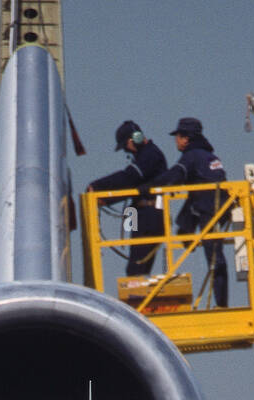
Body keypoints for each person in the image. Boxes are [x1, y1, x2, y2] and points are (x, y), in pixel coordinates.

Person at [147, 117, 229, 307]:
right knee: (186, 221)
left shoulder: (191, 156)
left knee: (215, 258)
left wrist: (150, 186)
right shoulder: (209, 156)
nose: (176, 140)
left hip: (209, 208)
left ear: (185, 138)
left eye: (177, 136)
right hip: (217, 205)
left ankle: (221, 304)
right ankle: (186, 235)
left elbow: (175, 174)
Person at [87, 121, 167, 276]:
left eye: (125, 146)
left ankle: (135, 298)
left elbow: (129, 177)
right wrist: (106, 199)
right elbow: (133, 187)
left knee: (136, 267)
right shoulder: (144, 156)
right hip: (138, 212)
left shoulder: (151, 155)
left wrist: (97, 186)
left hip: (150, 214)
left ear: (133, 140)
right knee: (135, 264)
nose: (125, 150)